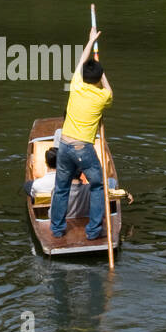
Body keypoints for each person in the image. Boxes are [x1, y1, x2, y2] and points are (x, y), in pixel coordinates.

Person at [50, 28, 113, 240]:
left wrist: (90, 40)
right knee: (97, 186)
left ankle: (57, 230)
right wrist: (102, 75)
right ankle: (94, 231)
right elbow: (109, 90)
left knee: (61, 189)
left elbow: (81, 60)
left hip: (65, 147)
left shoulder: (76, 84)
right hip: (82, 149)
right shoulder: (103, 97)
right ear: (98, 78)